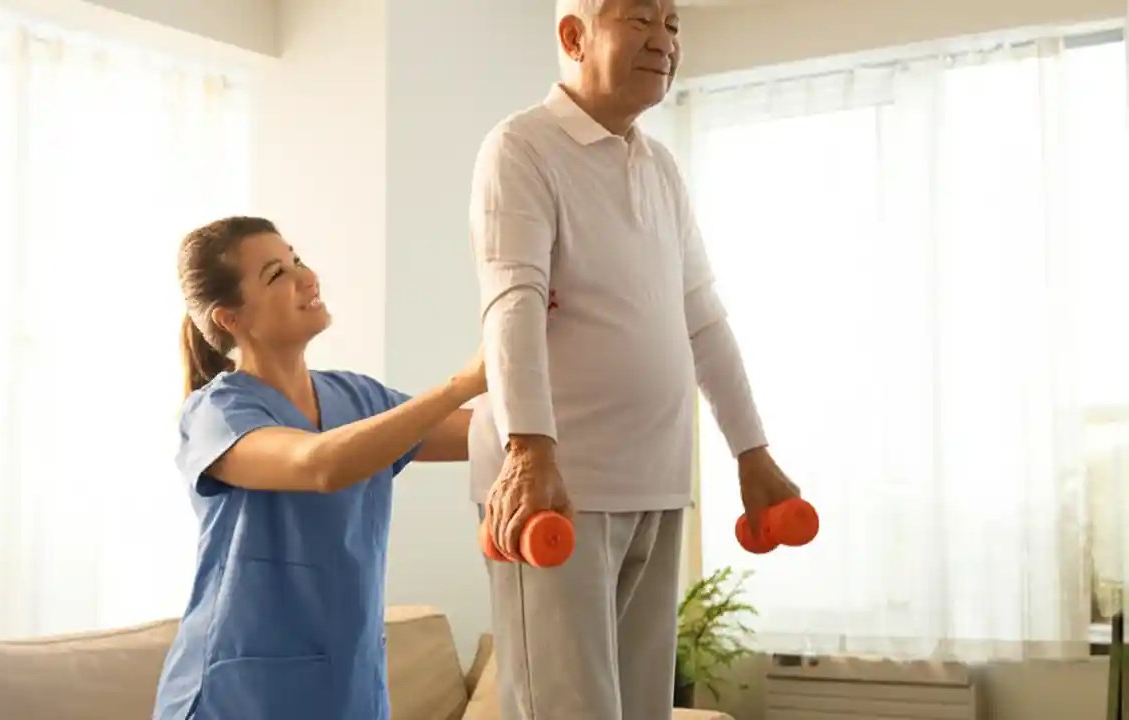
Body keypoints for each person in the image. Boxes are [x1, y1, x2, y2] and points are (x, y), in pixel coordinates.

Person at [466, 1, 801, 718]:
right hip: (558, 490)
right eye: (639, 20)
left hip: (655, 476)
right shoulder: (520, 147)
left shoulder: (661, 166)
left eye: (673, 24)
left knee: (643, 709)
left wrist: (753, 452)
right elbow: (511, 301)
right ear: (573, 36)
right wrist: (528, 450)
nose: (664, 40)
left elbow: (702, 318)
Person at [152, 216, 484, 720]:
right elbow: (320, 464)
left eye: (297, 260)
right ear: (230, 319)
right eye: (275, 274)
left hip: (350, 690)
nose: (306, 277)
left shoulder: (358, 397)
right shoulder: (215, 414)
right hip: (239, 698)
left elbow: (488, 435)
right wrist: (462, 383)